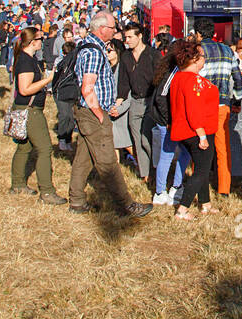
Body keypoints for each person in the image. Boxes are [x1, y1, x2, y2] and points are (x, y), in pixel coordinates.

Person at [66, 11, 153, 218]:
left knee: (83, 159)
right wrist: (99, 114)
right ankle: (126, 205)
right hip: (93, 113)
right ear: (103, 29)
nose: (116, 32)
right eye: (114, 28)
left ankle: (76, 201)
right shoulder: (94, 52)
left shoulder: (88, 46)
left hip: (87, 112)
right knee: (108, 163)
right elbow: (88, 87)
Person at [9, 27, 63, 202]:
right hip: (30, 111)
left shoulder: (27, 59)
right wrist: (47, 80)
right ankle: (47, 191)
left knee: (24, 147)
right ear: (33, 42)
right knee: (45, 148)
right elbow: (24, 90)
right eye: (41, 39)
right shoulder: (26, 61)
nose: (43, 41)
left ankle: (17, 185)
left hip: (26, 109)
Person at [169, 39, 220, 221]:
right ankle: (182, 209)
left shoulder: (178, 77)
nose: (204, 60)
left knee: (201, 168)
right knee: (201, 171)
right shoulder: (193, 81)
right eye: (203, 56)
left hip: (185, 130)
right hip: (198, 131)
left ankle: (205, 203)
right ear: (195, 59)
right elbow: (194, 109)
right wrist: (202, 135)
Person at [195, 18, 242, 196]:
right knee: (223, 148)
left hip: (201, 105)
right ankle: (224, 188)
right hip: (222, 103)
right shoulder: (227, 50)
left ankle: (198, 184)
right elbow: (238, 78)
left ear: (198, 34)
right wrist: (238, 100)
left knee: (199, 145)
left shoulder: (198, 51)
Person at [149, 43, 190, 206]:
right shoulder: (173, 72)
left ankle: (175, 186)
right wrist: (168, 121)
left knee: (184, 152)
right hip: (168, 121)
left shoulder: (173, 70)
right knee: (167, 153)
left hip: (176, 120)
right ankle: (160, 191)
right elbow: (161, 97)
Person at [117, 22, 156, 183]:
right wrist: (120, 99)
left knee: (147, 140)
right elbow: (123, 80)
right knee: (137, 139)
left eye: (130, 37)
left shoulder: (153, 55)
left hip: (150, 101)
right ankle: (145, 174)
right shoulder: (126, 56)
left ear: (140, 36)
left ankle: (155, 170)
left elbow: (159, 78)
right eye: (126, 37)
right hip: (135, 101)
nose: (127, 40)